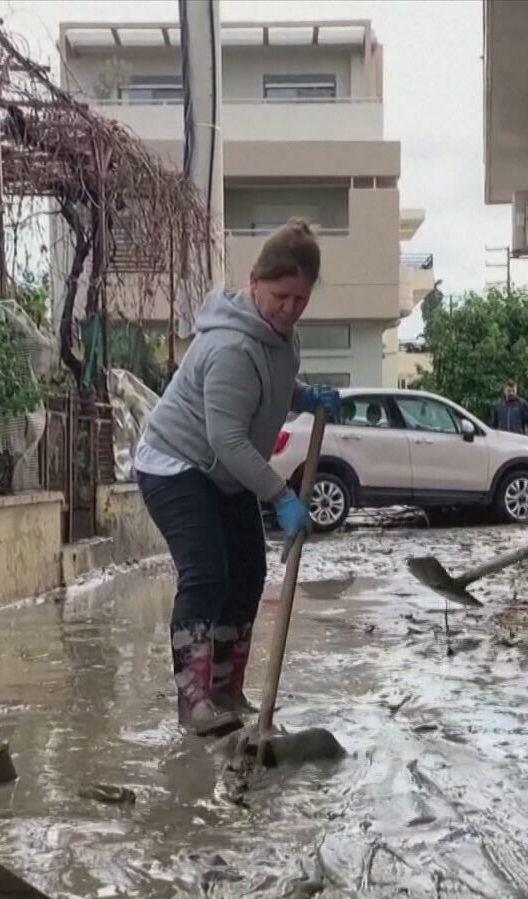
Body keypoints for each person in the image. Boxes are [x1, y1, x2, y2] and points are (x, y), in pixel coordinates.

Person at [136, 220, 343, 738]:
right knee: (207, 575)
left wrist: (302, 396)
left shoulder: (282, 339)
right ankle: (195, 701)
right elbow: (228, 439)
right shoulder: (230, 347)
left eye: (301, 298)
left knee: (248, 572)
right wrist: (281, 496)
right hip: (177, 463)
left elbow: (272, 382)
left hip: (222, 469)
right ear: (254, 281)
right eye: (280, 295)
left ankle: (228, 688)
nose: (290, 308)